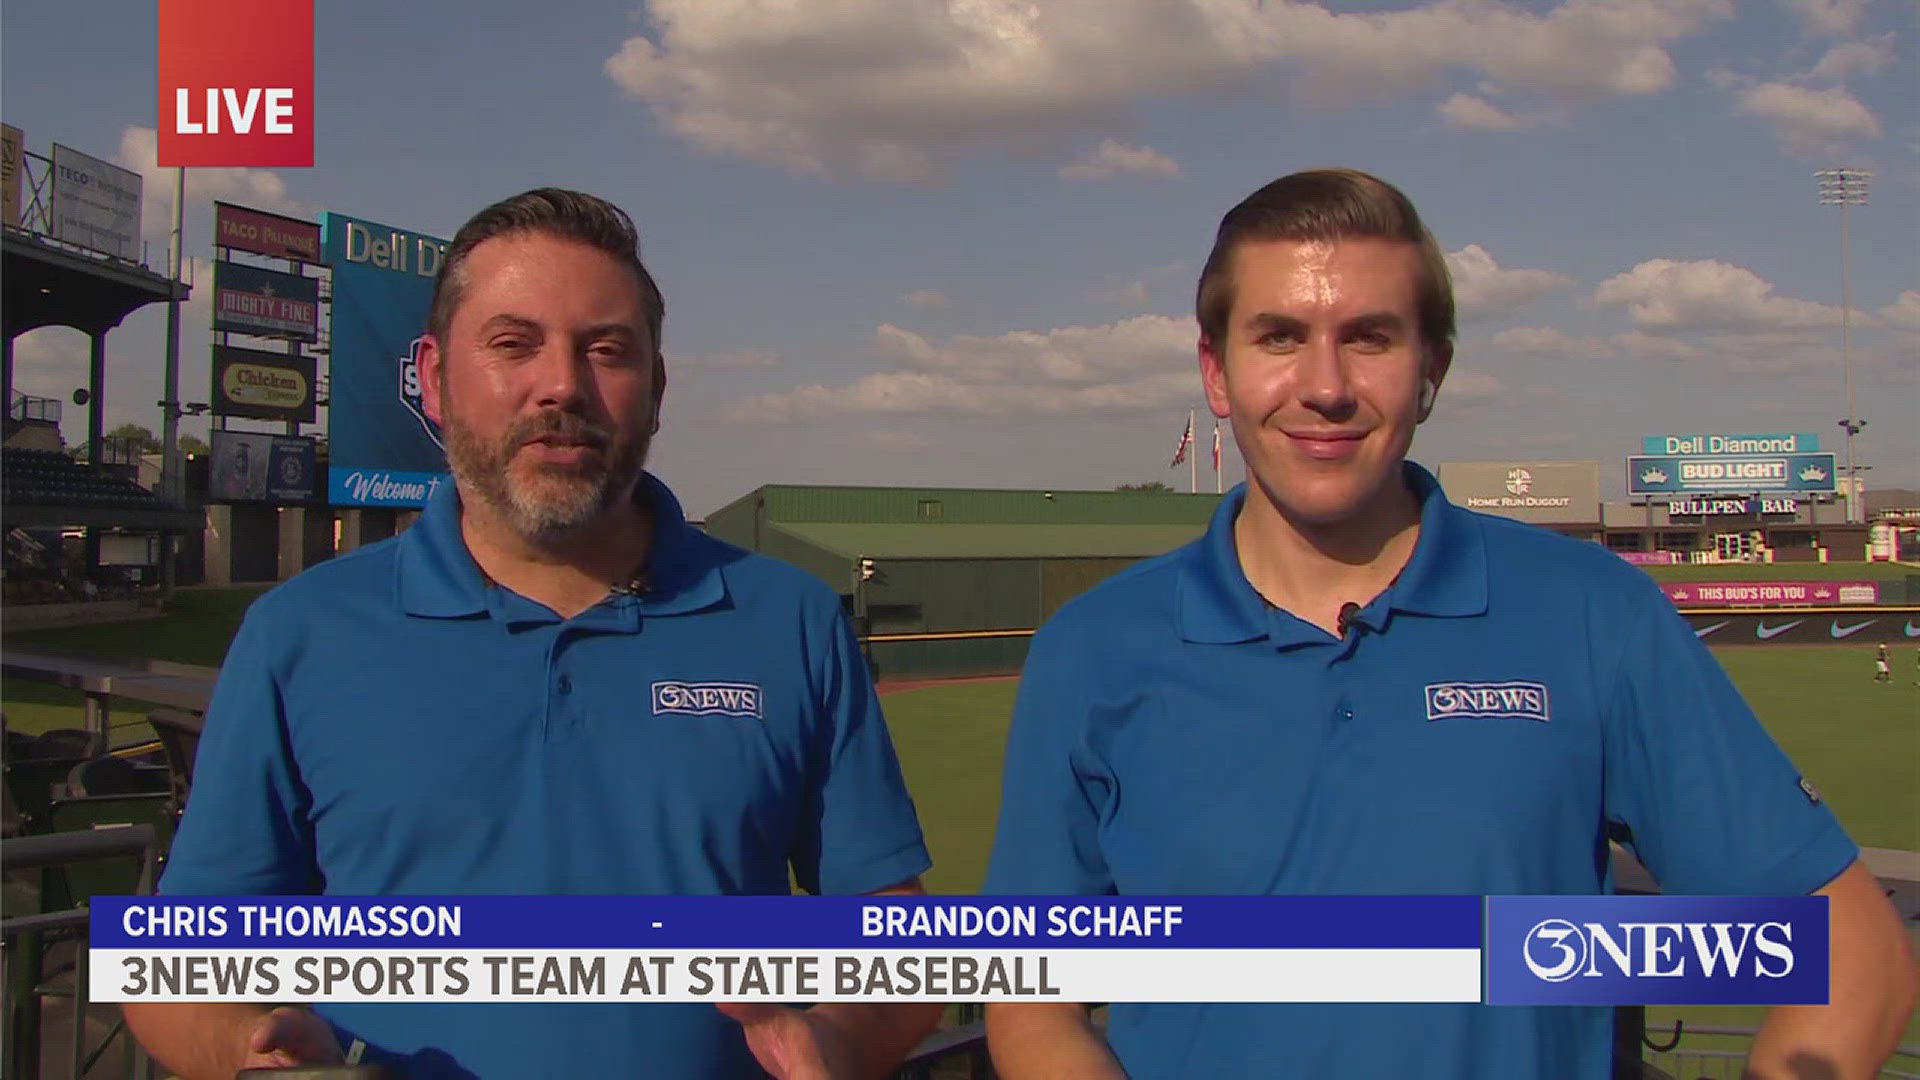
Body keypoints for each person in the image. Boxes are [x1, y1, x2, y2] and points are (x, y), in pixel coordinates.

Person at [980, 169, 1917, 1079]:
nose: (1326, 386)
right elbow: (1029, 1001)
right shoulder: (1097, 648)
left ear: (1432, 372)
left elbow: (1852, 951)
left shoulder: (1591, 611)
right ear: (1215, 371)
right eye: (1279, 336)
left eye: (1371, 339)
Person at [126, 190, 942, 1079]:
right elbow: (179, 970)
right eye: (514, 344)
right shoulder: (301, 634)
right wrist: (241, 1048)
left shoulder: (788, 619)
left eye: (607, 350)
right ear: (432, 379)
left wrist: (835, 1043)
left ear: (657, 390)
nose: (563, 385)